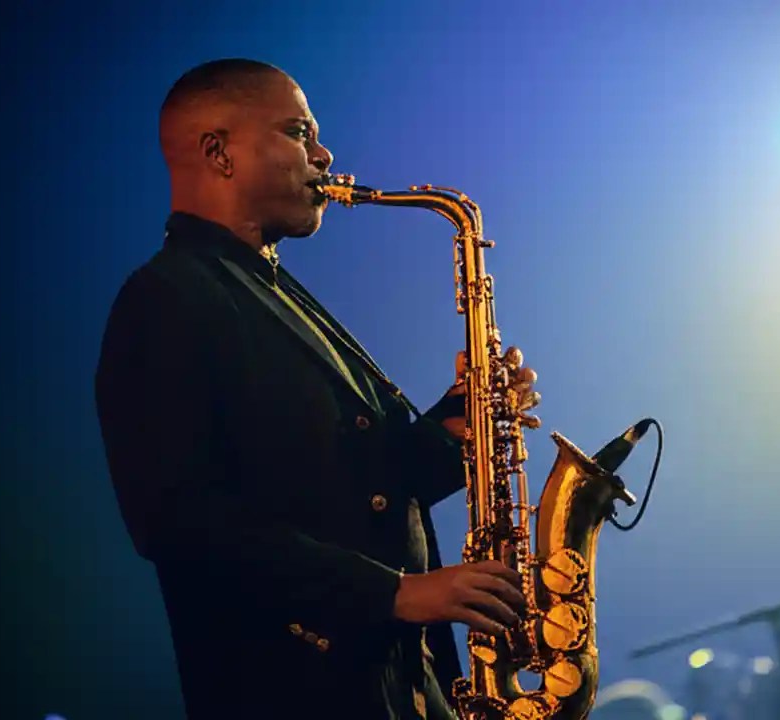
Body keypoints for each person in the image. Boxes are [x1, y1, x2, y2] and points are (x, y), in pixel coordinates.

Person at [93, 58, 539, 719]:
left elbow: (356, 486)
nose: (324, 154)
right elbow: (180, 524)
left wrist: (455, 428)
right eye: (298, 131)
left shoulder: (271, 290)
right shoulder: (164, 298)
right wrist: (396, 593)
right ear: (219, 152)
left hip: (397, 686)